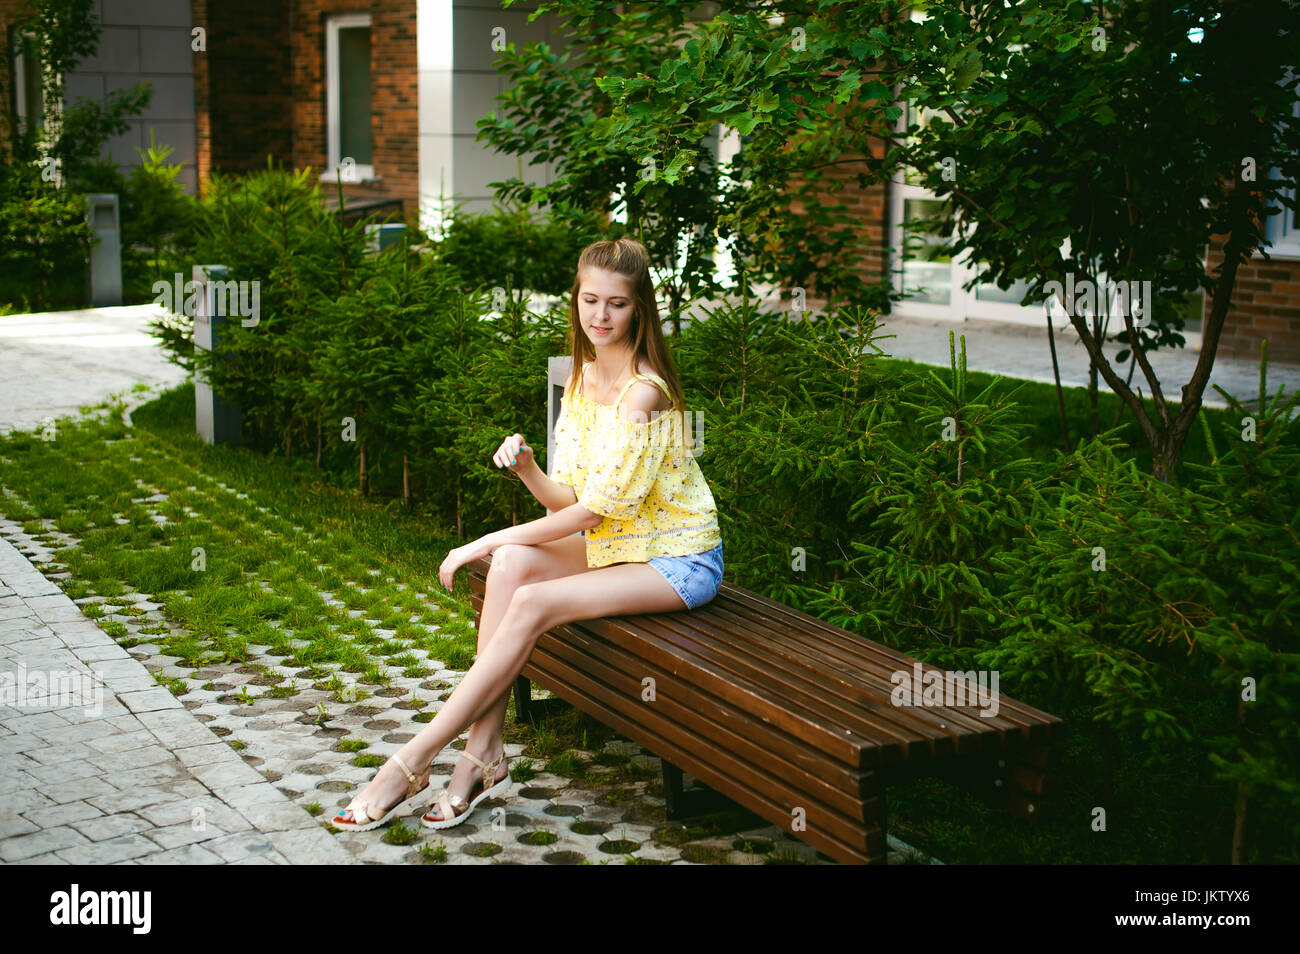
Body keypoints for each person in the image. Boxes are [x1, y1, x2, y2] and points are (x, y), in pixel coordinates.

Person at [330, 236, 725, 831]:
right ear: (576, 300)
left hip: (677, 560)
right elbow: (567, 496)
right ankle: (483, 752)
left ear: (639, 308)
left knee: (525, 586)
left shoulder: (642, 395)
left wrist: (482, 540)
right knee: (514, 565)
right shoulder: (582, 379)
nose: (599, 316)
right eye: (589, 300)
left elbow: (592, 513)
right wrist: (527, 469)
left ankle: (412, 761)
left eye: (616, 304)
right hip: (620, 545)